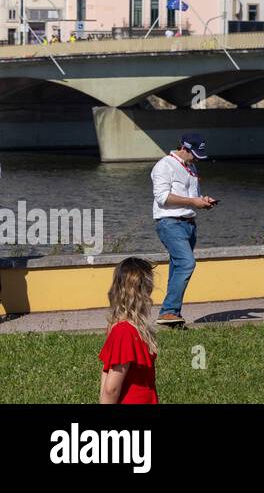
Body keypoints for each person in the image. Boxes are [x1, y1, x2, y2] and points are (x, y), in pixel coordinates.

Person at [150, 132, 217, 326]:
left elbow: (190, 196)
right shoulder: (164, 166)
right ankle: (167, 312)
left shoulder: (190, 166)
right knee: (187, 263)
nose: (197, 158)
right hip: (170, 223)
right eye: (194, 153)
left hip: (189, 225)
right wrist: (192, 201)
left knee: (177, 267)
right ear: (184, 148)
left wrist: (202, 200)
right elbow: (162, 197)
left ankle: (171, 315)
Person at [99, 257, 159, 404]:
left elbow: (105, 373)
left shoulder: (125, 327)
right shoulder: (125, 331)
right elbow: (110, 388)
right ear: (144, 290)